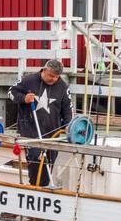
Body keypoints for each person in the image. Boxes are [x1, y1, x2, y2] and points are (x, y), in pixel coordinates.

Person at [8, 58, 73, 187]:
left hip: (52, 134)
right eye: (51, 76)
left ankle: (43, 186)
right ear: (44, 70)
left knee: (49, 162)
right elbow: (11, 92)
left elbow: (67, 109)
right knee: (35, 157)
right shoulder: (28, 80)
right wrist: (23, 98)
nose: (53, 79)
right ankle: (35, 186)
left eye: (56, 77)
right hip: (30, 130)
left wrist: (68, 125)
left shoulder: (63, 86)